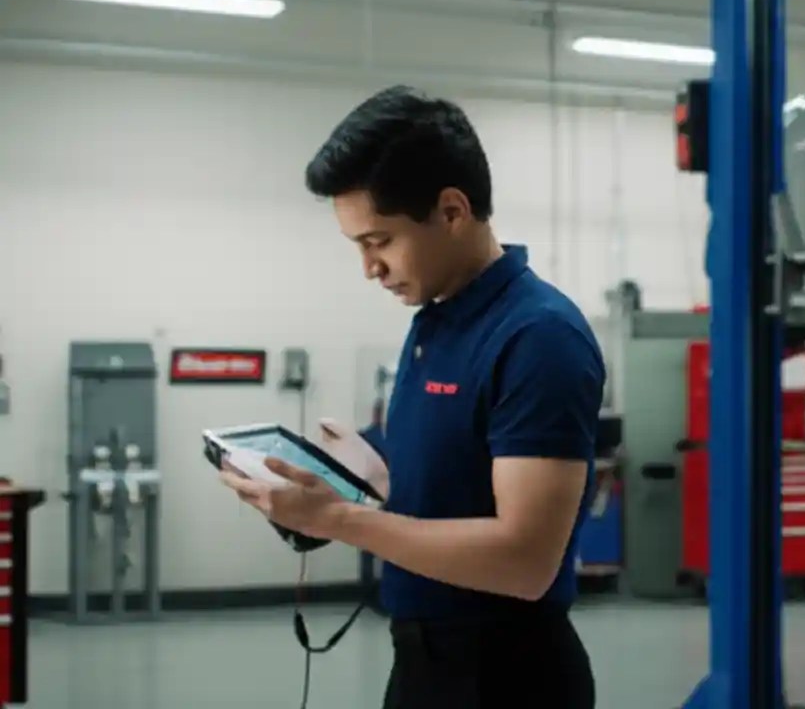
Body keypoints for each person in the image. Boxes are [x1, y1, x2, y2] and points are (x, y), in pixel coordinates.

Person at [219, 85, 603, 708]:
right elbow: (448, 471)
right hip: (424, 660)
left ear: (452, 211)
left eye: (380, 241)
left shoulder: (538, 336)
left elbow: (526, 561)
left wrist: (340, 519)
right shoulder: (438, 317)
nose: (369, 268)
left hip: (505, 676)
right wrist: (355, 473)